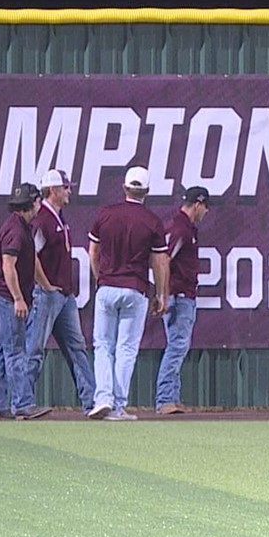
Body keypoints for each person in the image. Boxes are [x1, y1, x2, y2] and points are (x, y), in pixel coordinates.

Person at [86, 166, 169, 421]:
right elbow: (160, 261)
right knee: (126, 349)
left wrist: (100, 277)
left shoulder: (106, 214)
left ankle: (103, 398)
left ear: (124, 188)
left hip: (107, 286)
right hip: (136, 288)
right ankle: (118, 405)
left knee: (102, 346)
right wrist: (162, 294)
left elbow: (93, 252)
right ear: (147, 192)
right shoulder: (152, 221)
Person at [24, 169, 95, 414]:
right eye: (65, 187)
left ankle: (91, 402)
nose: (69, 191)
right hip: (48, 295)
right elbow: (30, 255)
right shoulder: (42, 218)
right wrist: (44, 284)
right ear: (53, 190)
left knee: (77, 348)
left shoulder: (58, 216)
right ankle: (23, 402)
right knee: (34, 348)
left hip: (64, 295)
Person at [0, 183, 53, 420]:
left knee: (4, 351)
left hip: (5, 296)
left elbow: (30, 261)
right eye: (37, 200)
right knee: (15, 352)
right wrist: (18, 299)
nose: (39, 204)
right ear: (31, 203)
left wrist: (45, 285)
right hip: (6, 297)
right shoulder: (15, 229)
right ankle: (23, 403)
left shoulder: (23, 226)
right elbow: (8, 265)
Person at [156, 186, 211, 415]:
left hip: (179, 294)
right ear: (198, 204)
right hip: (178, 295)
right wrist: (165, 294)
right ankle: (165, 399)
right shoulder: (182, 229)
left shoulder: (180, 225)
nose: (205, 213)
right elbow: (165, 260)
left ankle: (172, 397)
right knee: (177, 346)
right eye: (205, 208)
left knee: (178, 345)